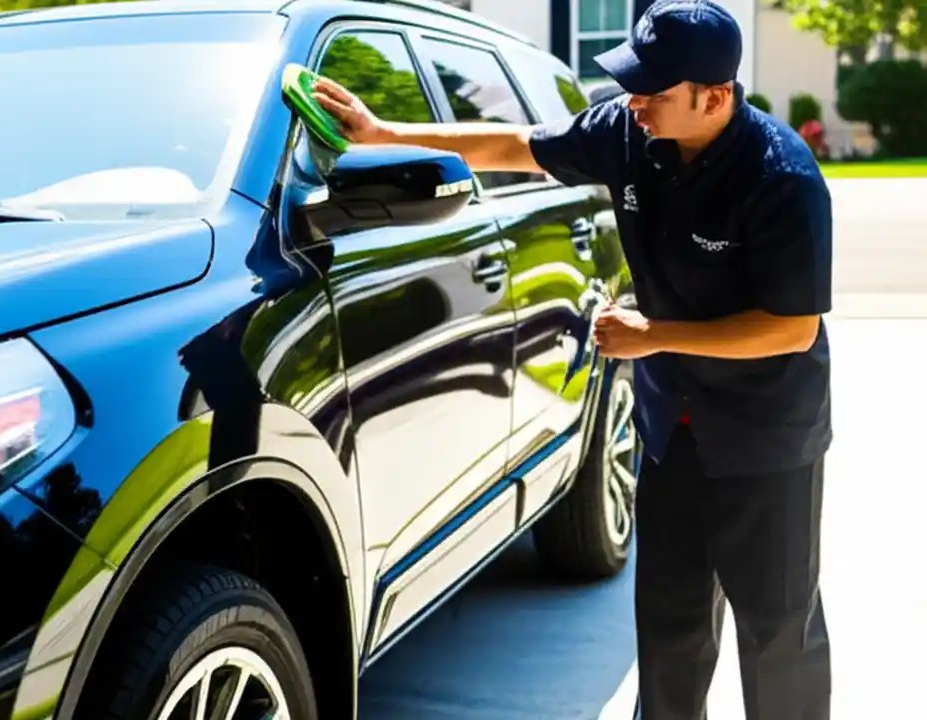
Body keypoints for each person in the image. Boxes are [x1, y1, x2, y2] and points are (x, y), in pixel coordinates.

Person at [311, 1, 832, 718]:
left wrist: (654, 335)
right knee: (671, 629)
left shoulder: (782, 177)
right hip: (672, 428)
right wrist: (387, 134)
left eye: (652, 91)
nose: (633, 101)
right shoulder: (626, 131)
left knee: (778, 636)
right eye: (631, 84)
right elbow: (514, 145)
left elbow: (792, 329)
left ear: (713, 98)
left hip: (766, 437)